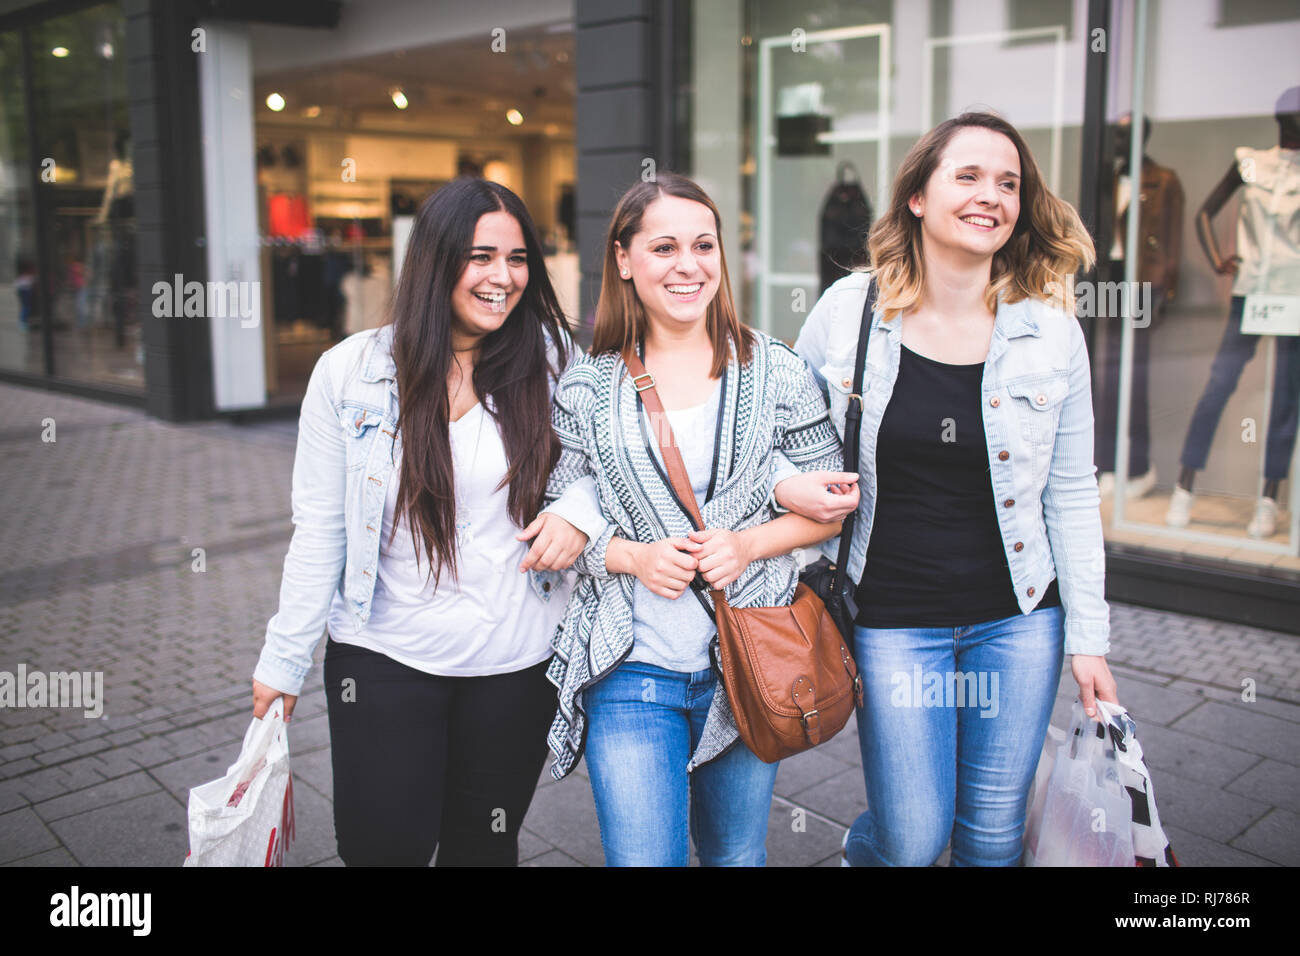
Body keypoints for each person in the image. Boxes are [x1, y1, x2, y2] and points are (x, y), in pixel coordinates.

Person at [780, 110, 1120, 866]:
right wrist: (788, 487)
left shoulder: (1051, 329)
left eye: (1008, 182)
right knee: (911, 839)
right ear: (918, 198)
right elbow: (781, 434)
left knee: (993, 839)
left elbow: (1070, 492)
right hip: (894, 619)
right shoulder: (850, 311)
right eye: (967, 176)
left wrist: (1089, 641)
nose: (990, 195)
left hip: (1018, 619)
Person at [250, 178, 607, 867]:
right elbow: (320, 526)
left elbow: (606, 467)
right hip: (383, 656)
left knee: (484, 848)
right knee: (383, 848)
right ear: (435, 260)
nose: (502, 277)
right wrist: (283, 660)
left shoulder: (557, 360)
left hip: (517, 660)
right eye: (480, 257)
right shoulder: (350, 372)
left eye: (518, 258)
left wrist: (577, 513)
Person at [543, 172, 851, 867]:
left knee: (736, 855)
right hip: (632, 666)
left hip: (750, 656)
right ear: (624, 260)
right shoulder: (588, 387)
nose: (689, 265)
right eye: (664, 247)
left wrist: (746, 544)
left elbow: (830, 505)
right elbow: (556, 522)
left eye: (704, 245)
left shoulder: (773, 368)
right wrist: (633, 557)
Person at [1166, 86, 1300, 539]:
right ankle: (1184, 487)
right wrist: (1219, 261)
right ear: (1282, 116)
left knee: (1286, 396)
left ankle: (1268, 498)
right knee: (1220, 383)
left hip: (1294, 295)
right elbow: (1206, 212)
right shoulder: (1250, 161)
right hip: (1251, 291)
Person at [1094, 112, 1184, 500]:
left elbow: (1173, 239)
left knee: (1134, 377)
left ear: (1142, 137)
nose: (1117, 142)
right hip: (1106, 278)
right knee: (1104, 373)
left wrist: (1166, 292)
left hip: (1142, 282)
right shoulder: (1105, 180)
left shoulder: (1164, 181)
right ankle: (1108, 465)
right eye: (1116, 134)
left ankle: (1137, 466)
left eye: (1125, 135)